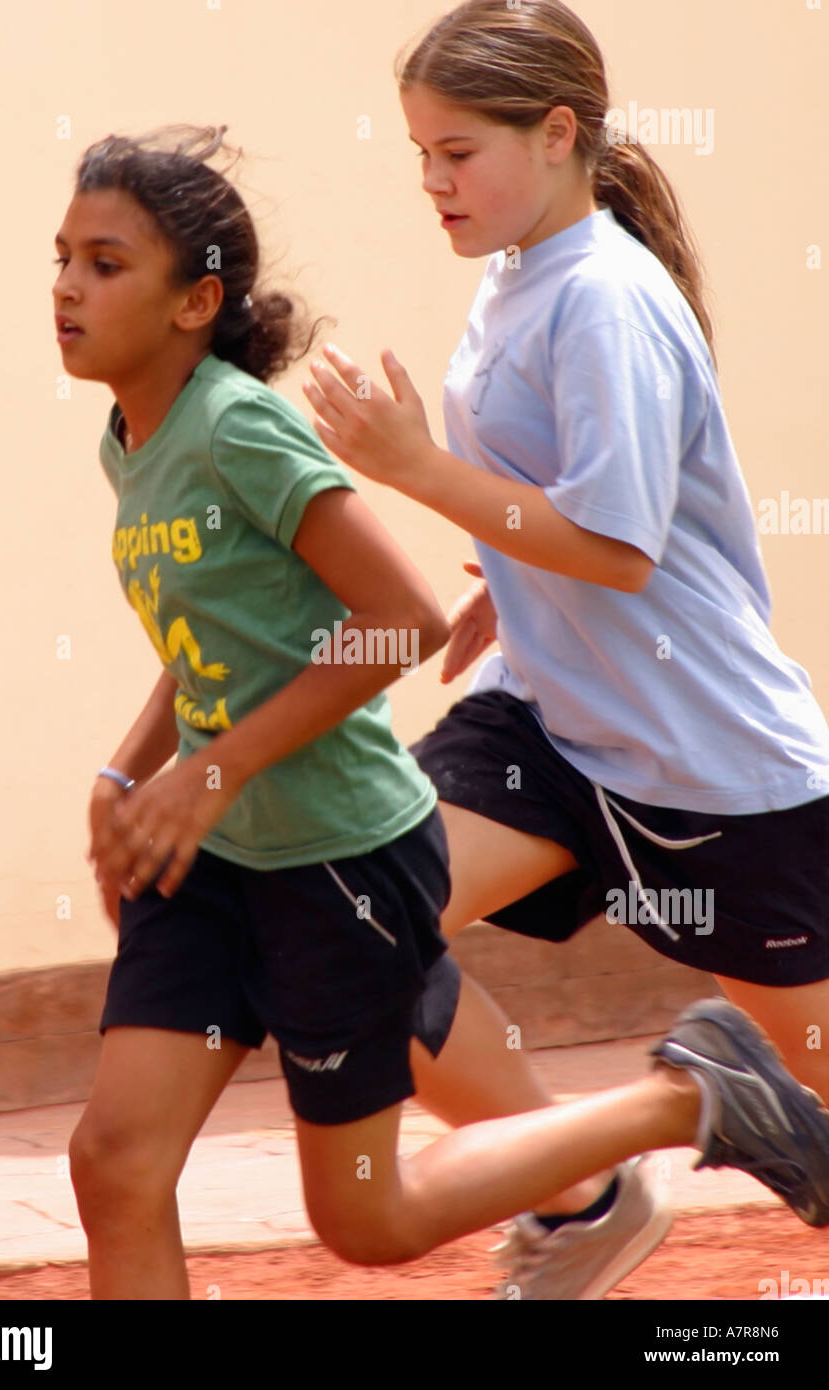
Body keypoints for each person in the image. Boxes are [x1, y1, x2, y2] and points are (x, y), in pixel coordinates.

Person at [52, 121, 829, 1302]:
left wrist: (208, 774)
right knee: (114, 1163)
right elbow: (208, 624)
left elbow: (400, 619)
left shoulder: (237, 428)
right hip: (217, 858)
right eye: (60, 257)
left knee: (367, 1218)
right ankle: (598, 1195)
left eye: (104, 264)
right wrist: (129, 774)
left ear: (193, 301)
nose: (65, 286)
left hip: (338, 853)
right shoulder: (134, 442)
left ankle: (685, 1101)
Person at [302, 0, 829, 1294]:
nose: (432, 181)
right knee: (348, 906)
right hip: (545, 723)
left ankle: (719, 1107)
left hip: (705, 765)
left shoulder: (605, 297)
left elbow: (622, 542)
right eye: (418, 150)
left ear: (556, 134)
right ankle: (586, 1194)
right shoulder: (519, 278)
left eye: (457, 151)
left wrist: (417, 470)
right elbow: (564, 504)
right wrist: (504, 580)